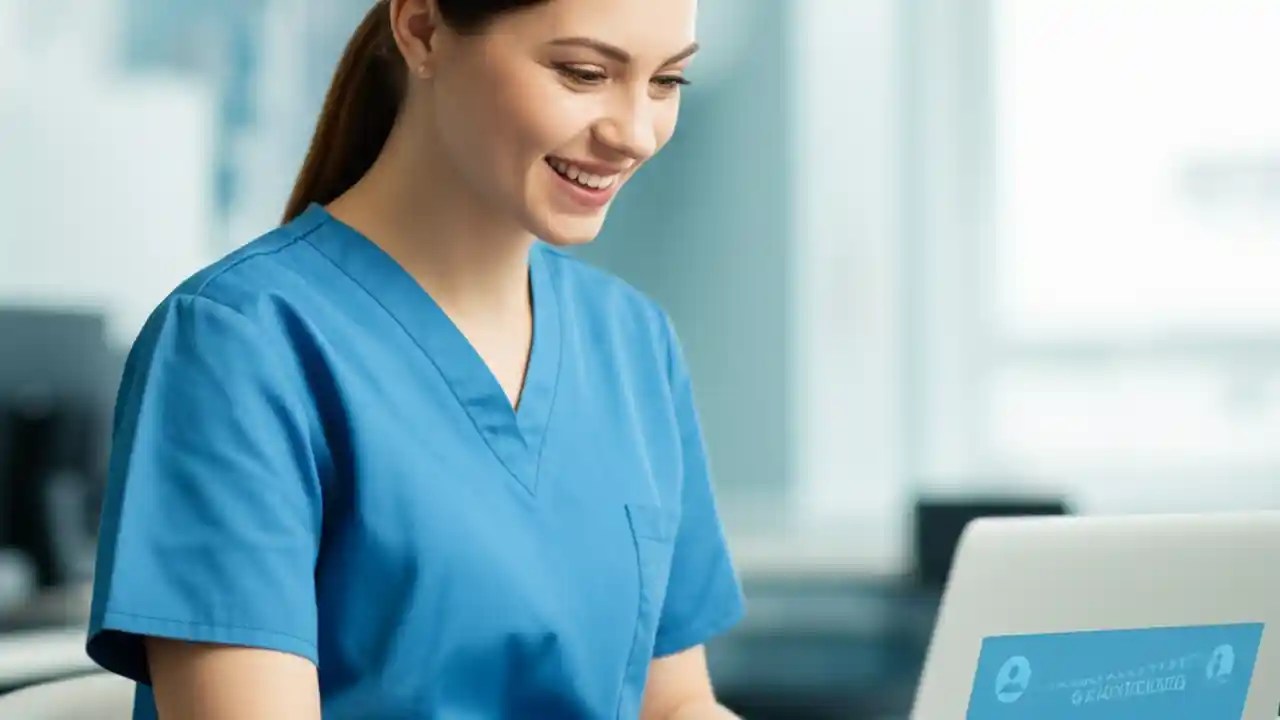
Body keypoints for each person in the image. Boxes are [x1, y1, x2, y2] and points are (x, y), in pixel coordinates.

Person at [83, 0, 745, 717]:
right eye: (584, 73)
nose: (636, 134)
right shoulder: (239, 345)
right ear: (422, 29)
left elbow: (673, 705)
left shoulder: (633, 343)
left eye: (667, 82)